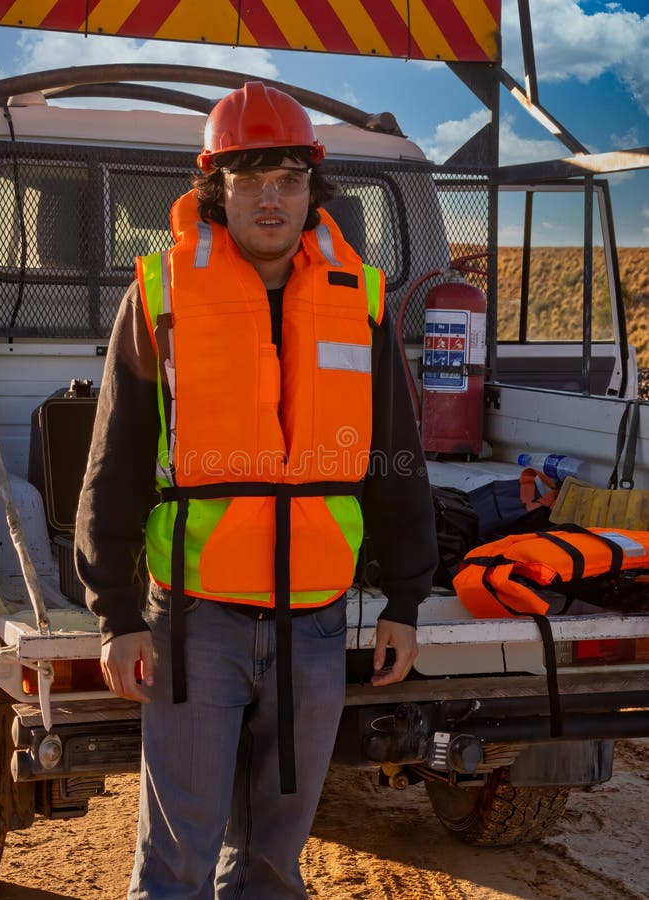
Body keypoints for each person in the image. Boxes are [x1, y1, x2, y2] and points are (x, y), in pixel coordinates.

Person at [75, 81, 437, 899]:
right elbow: (117, 459)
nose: (271, 200)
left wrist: (406, 601)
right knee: (177, 857)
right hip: (197, 623)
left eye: (289, 179)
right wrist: (116, 615)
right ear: (217, 189)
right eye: (249, 180)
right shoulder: (161, 297)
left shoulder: (361, 302)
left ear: (313, 188)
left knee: (276, 857)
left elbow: (397, 458)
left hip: (314, 623)